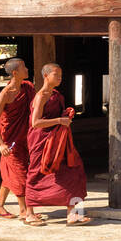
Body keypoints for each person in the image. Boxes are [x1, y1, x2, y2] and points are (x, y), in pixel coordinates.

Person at [25, 62, 91, 224]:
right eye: (56, 74)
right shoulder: (40, 96)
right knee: (36, 173)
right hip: (41, 140)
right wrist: (60, 120)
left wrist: (65, 114)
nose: (60, 77)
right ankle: (29, 213)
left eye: (61, 75)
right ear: (46, 76)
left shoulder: (56, 95)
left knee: (72, 171)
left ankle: (72, 213)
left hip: (58, 140)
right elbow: (36, 123)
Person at [0, 58, 41, 224]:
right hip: (10, 142)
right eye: (24, 67)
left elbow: (34, 108)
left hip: (24, 138)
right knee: (20, 174)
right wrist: (0, 144)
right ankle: (23, 210)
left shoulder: (28, 87)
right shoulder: (5, 94)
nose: (27, 69)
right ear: (15, 73)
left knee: (9, 173)